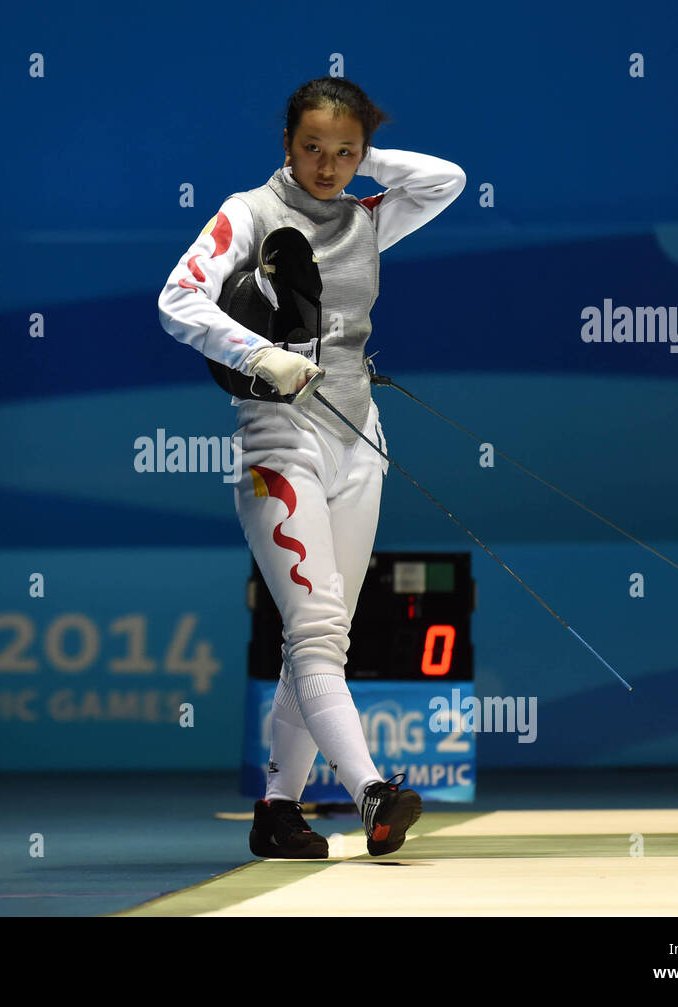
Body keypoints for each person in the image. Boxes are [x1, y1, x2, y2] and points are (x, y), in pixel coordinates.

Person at [158, 77, 465, 858]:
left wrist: (369, 156)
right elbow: (178, 299)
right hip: (278, 438)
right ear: (285, 144)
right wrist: (259, 352)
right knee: (319, 628)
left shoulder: (364, 217)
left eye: (344, 153)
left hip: (360, 438)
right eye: (312, 148)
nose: (328, 167)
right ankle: (372, 791)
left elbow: (444, 181)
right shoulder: (249, 212)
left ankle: (278, 809)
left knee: (320, 637)